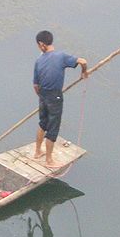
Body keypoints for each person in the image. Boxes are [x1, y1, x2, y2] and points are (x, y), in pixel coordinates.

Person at [32, 30, 88, 168]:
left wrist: (41, 96)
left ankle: (38, 152)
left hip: (43, 95)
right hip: (55, 96)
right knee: (53, 127)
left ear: (42, 44)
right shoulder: (61, 56)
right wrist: (84, 71)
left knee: (42, 123)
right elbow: (83, 61)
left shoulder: (39, 60)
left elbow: (35, 85)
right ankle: (49, 161)